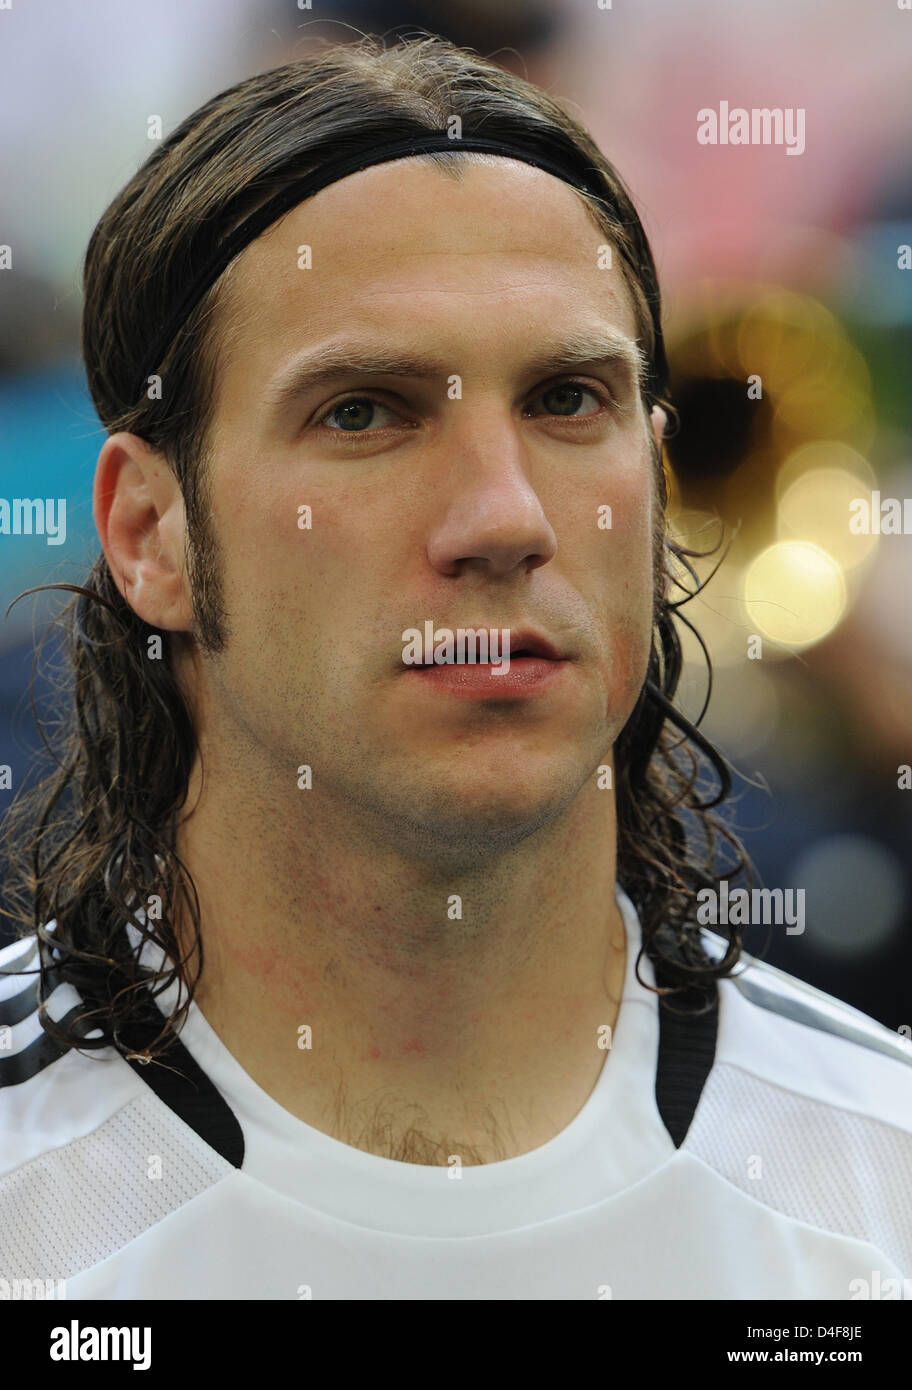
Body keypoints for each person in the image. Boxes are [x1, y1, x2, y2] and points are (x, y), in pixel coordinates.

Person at [1, 34, 909, 1301]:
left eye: (566, 401)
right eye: (364, 411)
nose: (503, 517)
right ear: (151, 536)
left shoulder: (883, 1176)